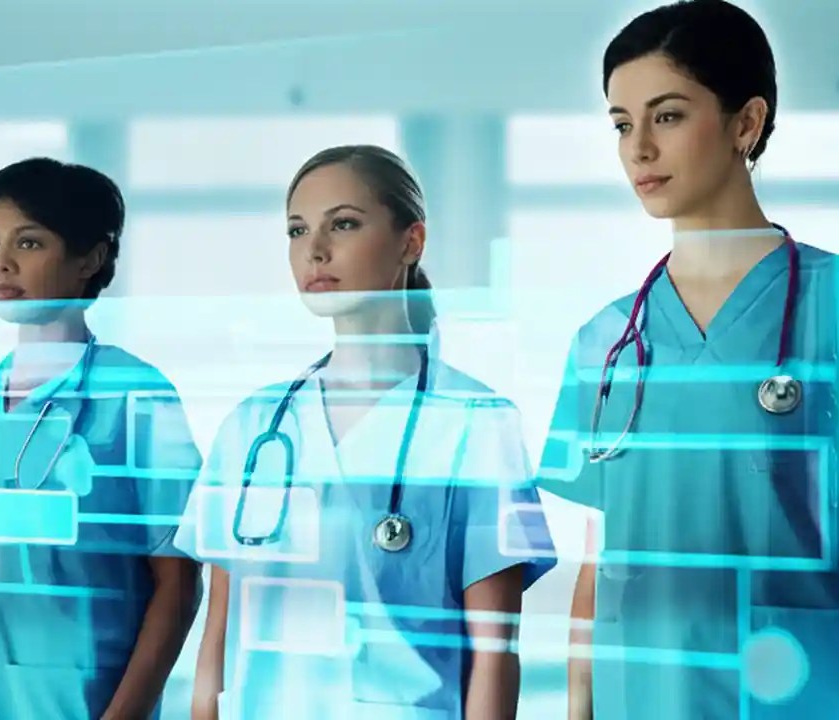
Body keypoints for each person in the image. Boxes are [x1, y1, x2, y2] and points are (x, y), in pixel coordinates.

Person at [535, 2, 839, 719]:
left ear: (746, 123)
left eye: (668, 115)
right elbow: (600, 557)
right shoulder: (607, 339)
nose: (638, 148)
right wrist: (577, 709)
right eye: (622, 123)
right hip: (641, 697)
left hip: (805, 694)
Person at [175, 144, 557, 719]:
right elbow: (219, 632)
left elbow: (495, 650)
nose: (316, 251)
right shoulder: (254, 425)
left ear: (412, 241)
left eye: (344, 224)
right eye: (298, 231)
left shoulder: (478, 422)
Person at [0, 158, 203, 719]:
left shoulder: (134, 394)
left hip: (70, 700)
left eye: (30, 243)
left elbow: (179, 586)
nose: (2, 264)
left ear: (90, 257)